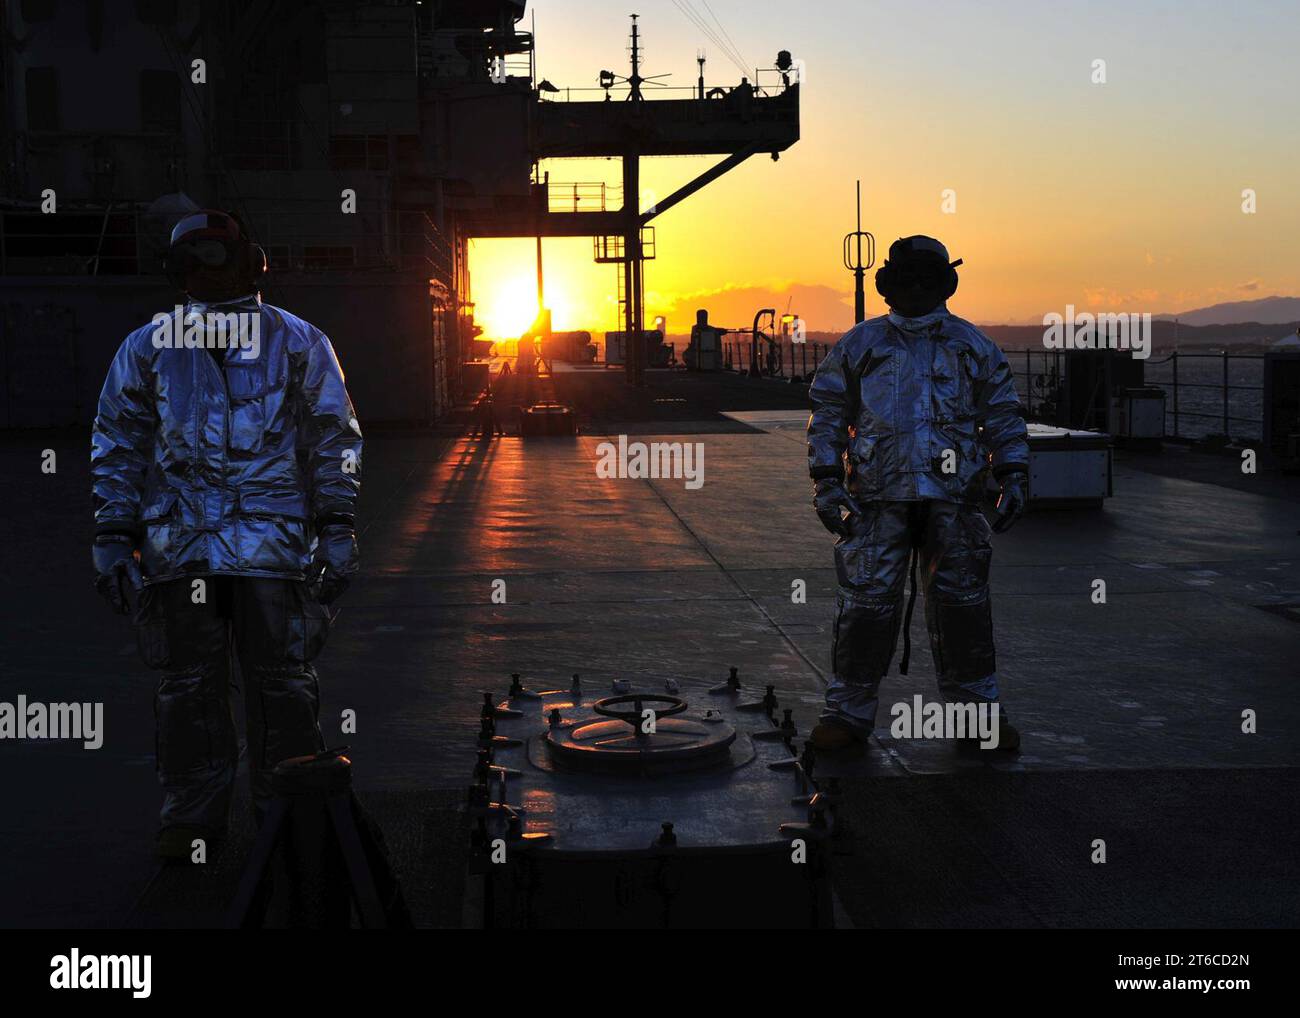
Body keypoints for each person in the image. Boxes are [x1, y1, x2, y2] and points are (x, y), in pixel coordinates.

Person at [91, 209, 362, 860]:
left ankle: (287, 815)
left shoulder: (298, 343)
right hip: (183, 551)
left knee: (283, 688)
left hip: (270, 550)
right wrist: (111, 529)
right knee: (188, 692)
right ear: (178, 271)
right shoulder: (150, 349)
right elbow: (119, 442)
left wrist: (338, 523)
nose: (208, 272)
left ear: (251, 263)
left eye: (219, 256)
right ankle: (191, 820)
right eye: (196, 259)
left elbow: (334, 440)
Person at [806, 235, 1029, 752]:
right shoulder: (861, 344)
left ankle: (977, 719)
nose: (915, 289)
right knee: (864, 606)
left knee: (964, 606)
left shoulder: (971, 345)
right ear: (888, 286)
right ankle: (847, 715)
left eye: (926, 280)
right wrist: (826, 480)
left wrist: (1013, 471)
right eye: (906, 280)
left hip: (954, 499)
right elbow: (829, 412)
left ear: (944, 285)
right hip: (878, 498)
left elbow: (1001, 413)